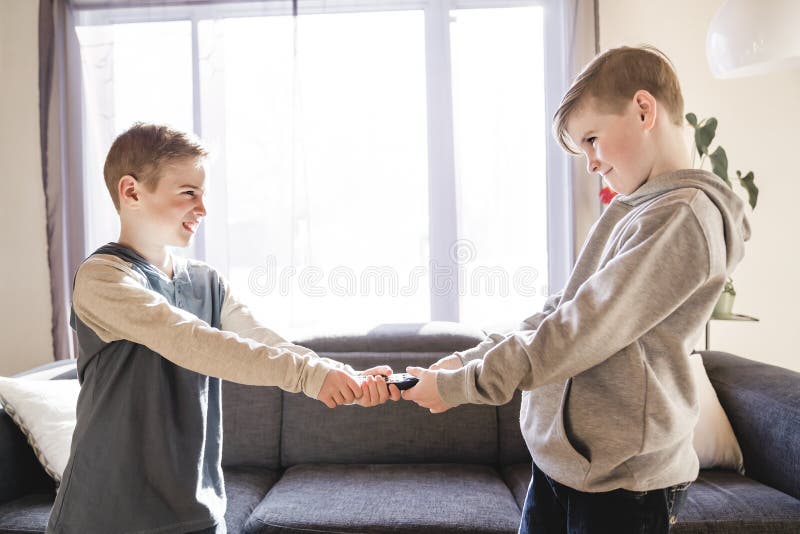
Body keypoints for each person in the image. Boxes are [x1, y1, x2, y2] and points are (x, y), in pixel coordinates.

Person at [402, 45, 750, 533]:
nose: (589, 163)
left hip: (623, 485)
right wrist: (469, 359)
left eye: (592, 138)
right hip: (564, 470)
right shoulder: (633, 209)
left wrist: (464, 385)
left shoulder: (683, 216)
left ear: (644, 110)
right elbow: (563, 309)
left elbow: (581, 329)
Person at [46, 123, 400, 534]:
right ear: (131, 192)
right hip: (106, 517)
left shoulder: (206, 281)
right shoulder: (103, 279)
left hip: (198, 511)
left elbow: (262, 341)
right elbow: (191, 340)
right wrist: (311, 377)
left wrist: (344, 378)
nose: (203, 209)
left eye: (203, 194)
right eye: (188, 193)